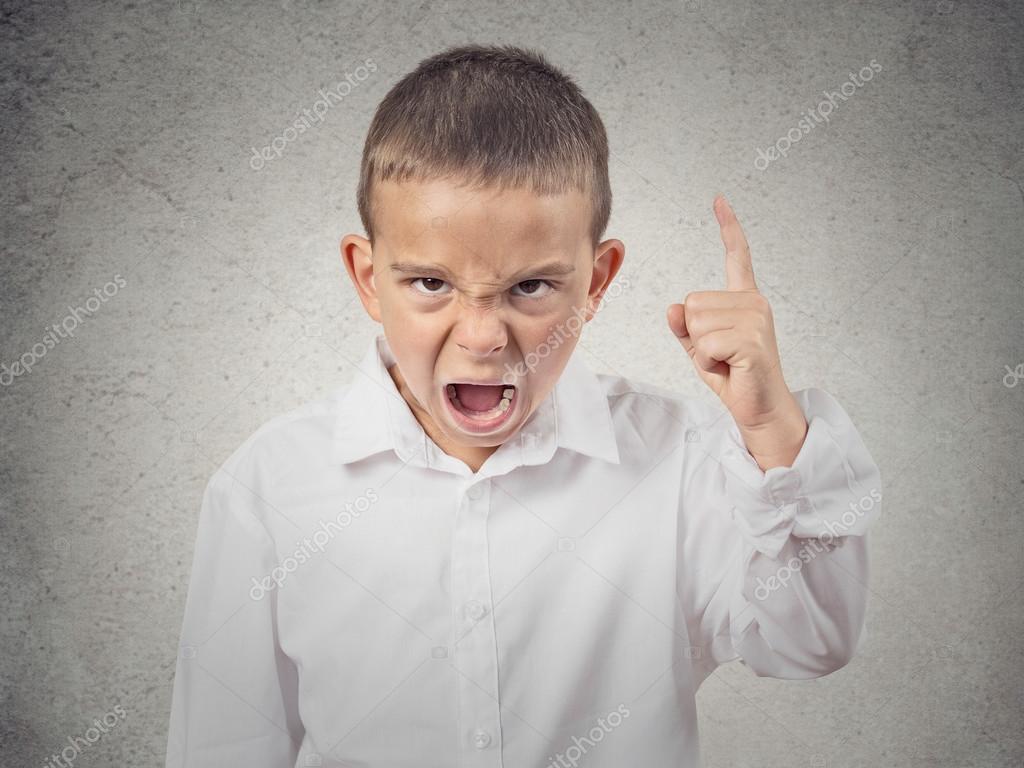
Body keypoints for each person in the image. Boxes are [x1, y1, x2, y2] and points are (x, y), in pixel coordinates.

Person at [165, 43, 881, 768]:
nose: (482, 337)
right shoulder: (269, 486)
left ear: (595, 282)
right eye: (430, 284)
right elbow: (222, 748)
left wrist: (769, 428)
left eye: (531, 287)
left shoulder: (685, 461)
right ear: (367, 277)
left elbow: (811, 642)